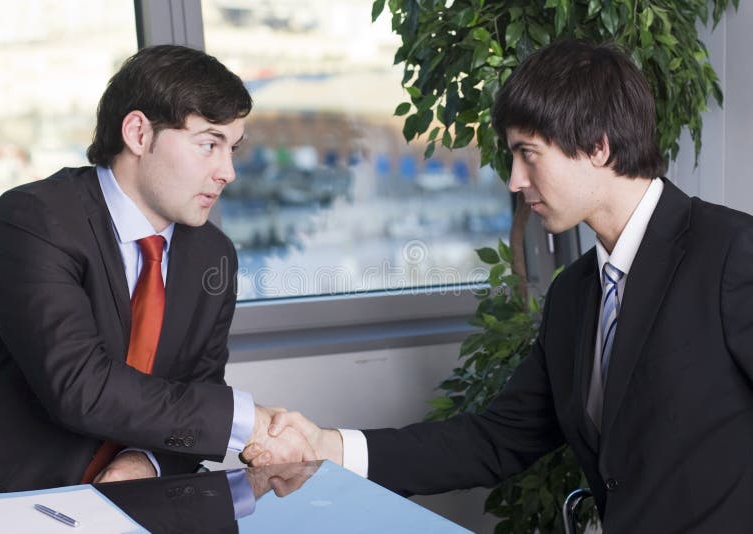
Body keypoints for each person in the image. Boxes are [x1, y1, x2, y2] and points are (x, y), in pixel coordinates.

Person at [244, 39, 753, 533]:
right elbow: (495, 440)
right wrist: (327, 445)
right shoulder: (575, 294)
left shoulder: (731, 253)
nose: (514, 179)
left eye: (528, 154)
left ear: (598, 146)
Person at [0, 44, 310, 495]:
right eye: (209, 145)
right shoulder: (31, 221)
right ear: (139, 134)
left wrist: (146, 462)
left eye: (232, 149)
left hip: (122, 503)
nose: (228, 172)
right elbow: (81, 387)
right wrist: (248, 422)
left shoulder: (212, 255)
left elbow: (194, 396)